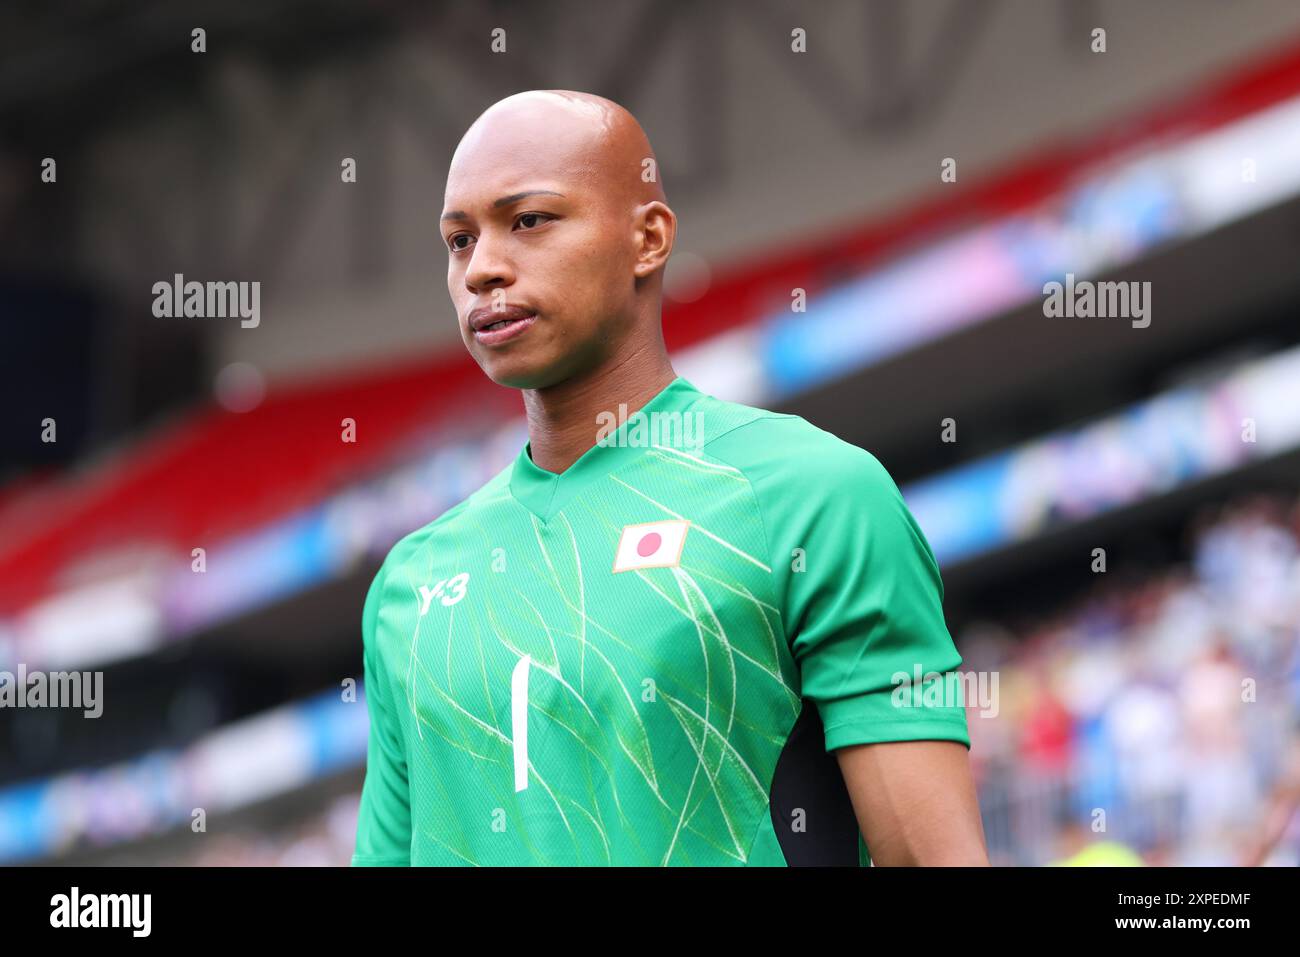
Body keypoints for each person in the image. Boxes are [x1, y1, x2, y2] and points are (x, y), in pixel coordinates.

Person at [351, 90, 988, 866]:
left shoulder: (814, 497)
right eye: (458, 240)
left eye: (529, 220)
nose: (483, 268)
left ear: (647, 238)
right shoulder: (410, 585)